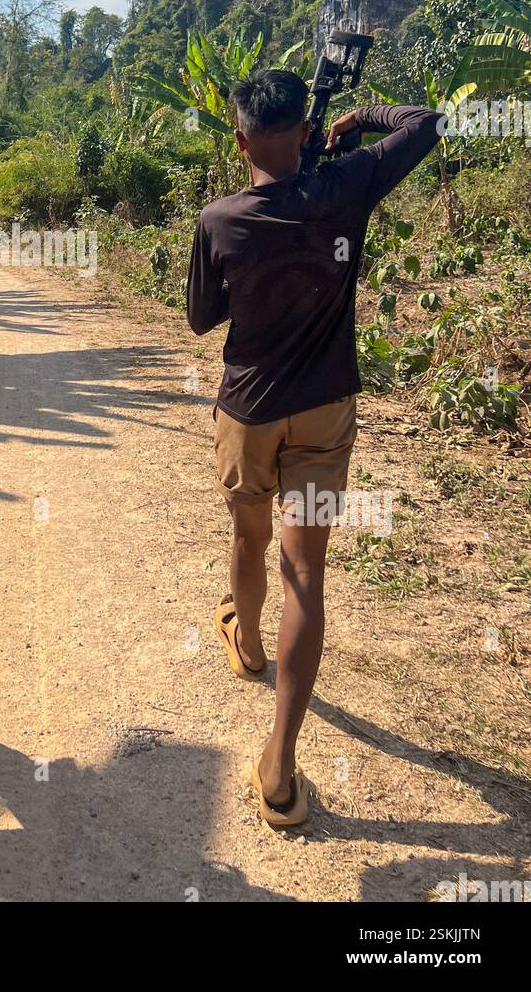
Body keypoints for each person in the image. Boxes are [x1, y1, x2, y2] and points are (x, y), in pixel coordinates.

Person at [186, 71, 442, 828]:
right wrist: (362, 116)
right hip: (325, 414)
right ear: (307, 130)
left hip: (248, 412)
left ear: (239, 140)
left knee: (247, 533)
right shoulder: (348, 183)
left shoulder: (218, 219)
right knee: (306, 572)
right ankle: (280, 764)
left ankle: (248, 643)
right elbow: (426, 123)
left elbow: (203, 320)